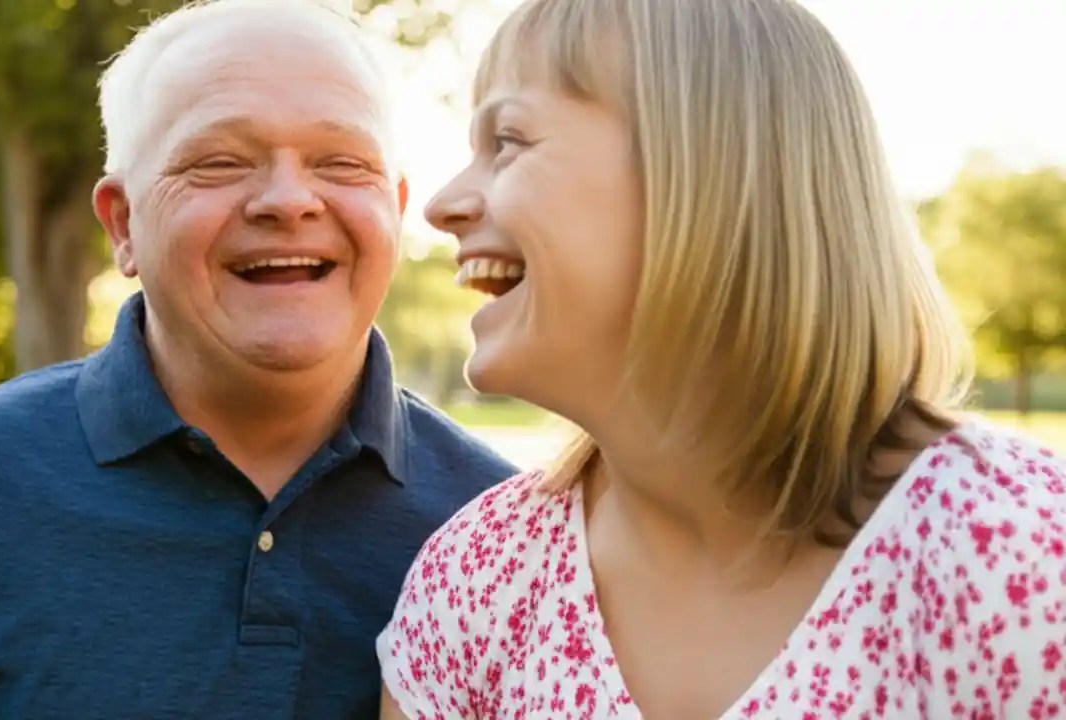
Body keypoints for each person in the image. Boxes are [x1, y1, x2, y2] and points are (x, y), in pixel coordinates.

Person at [0, 2, 516, 718]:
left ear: (393, 207)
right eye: (221, 161)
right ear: (123, 223)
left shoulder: (506, 540)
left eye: (341, 162)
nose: (289, 200)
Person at [377, 0, 1066, 717]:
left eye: (510, 142)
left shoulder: (1017, 559)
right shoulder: (479, 580)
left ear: (709, 175)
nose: (442, 203)